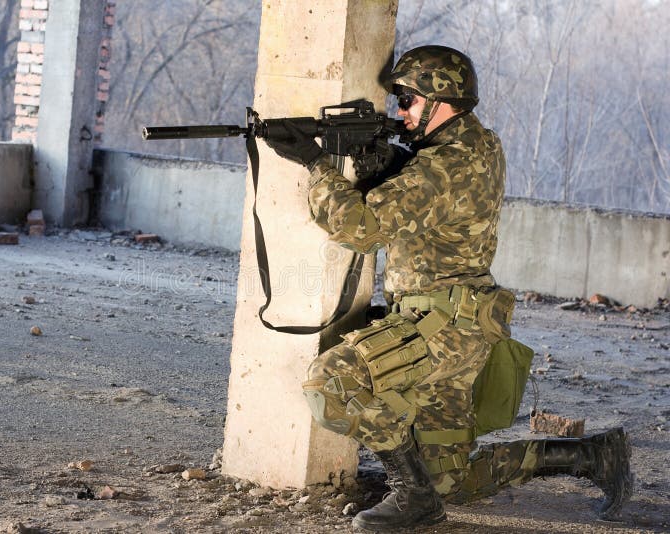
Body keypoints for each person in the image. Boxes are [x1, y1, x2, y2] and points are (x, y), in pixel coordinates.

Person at [265, 45, 632, 531]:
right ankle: (590, 456)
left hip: (440, 329)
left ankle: (413, 497)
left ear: (444, 101)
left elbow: (362, 226)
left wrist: (315, 163)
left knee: (331, 383)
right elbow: (428, 200)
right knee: (451, 481)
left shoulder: (444, 164)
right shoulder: (477, 145)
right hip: (462, 323)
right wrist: (388, 163)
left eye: (409, 100)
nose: (400, 111)